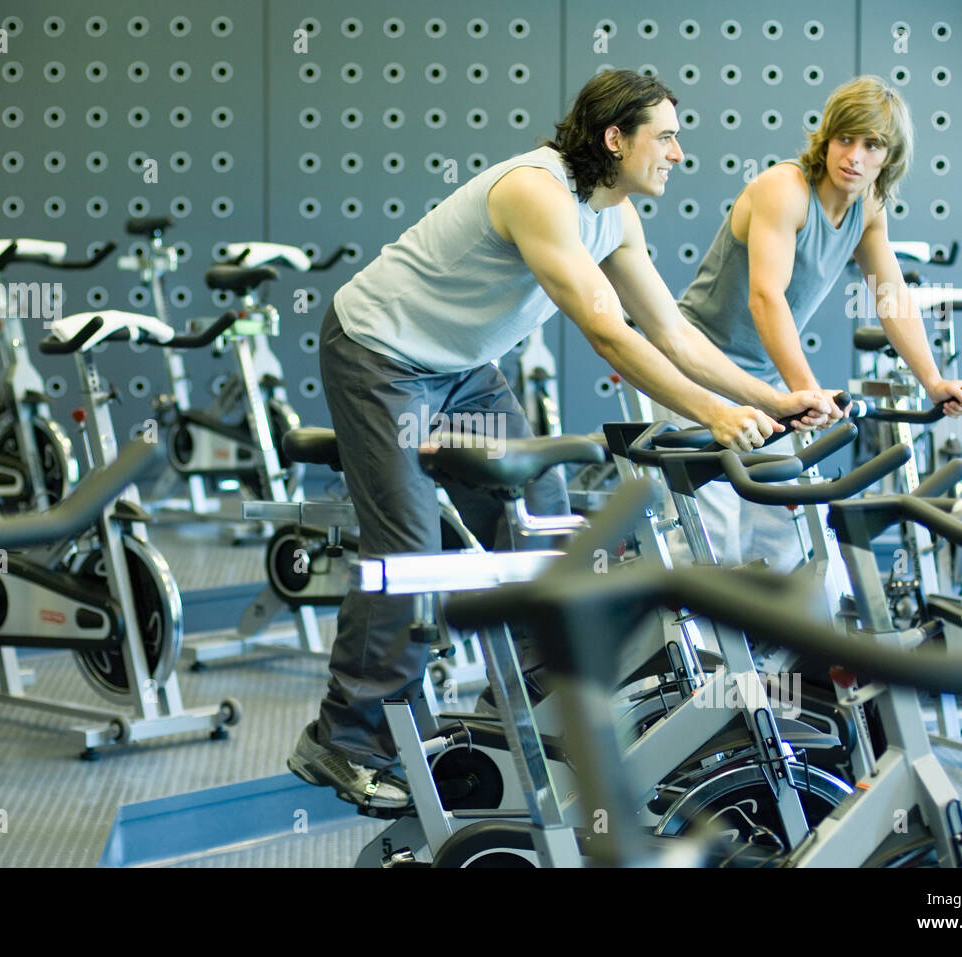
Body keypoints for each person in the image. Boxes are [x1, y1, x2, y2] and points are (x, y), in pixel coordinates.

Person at [287, 69, 835, 811]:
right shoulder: (535, 192)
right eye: (665, 137)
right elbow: (609, 332)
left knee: (538, 519)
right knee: (410, 554)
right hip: (380, 356)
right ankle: (344, 736)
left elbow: (668, 330)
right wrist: (711, 414)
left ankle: (540, 697)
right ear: (616, 139)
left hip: (462, 370)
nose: (678, 152)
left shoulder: (615, 217)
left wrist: (774, 397)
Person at [662, 74, 962, 571]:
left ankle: (778, 647)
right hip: (698, 367)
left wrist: (933, 380)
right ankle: (685, 647)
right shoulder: (784, 189)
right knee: (713, 533)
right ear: (827, 138)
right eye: (845, 139)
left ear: (888, 156)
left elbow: (891, 294)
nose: (853, 156)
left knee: (782, 533)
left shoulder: (869, 205)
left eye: (871, 144)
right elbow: (766, 297)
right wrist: (805, 388)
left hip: (765, 382)